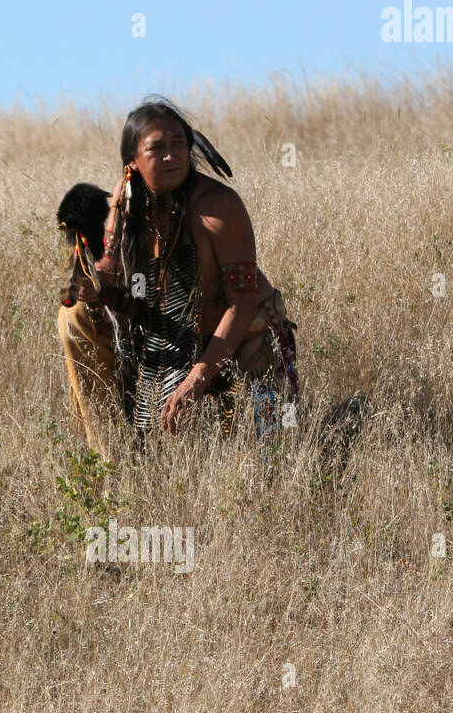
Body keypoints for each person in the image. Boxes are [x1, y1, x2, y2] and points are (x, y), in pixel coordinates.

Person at [57, 98, 297, 454]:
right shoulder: (125, 208)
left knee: (271, 454)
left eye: (178, 145)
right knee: (72, 315)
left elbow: (242, 306)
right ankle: (108, 455)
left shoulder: (220, 208)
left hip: (244, 341)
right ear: (133, 163)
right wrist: (95, 289)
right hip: (168, 342)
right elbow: (121, 285)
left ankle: (275, 450)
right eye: (157, 148)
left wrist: (195, 380)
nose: (171, 156)